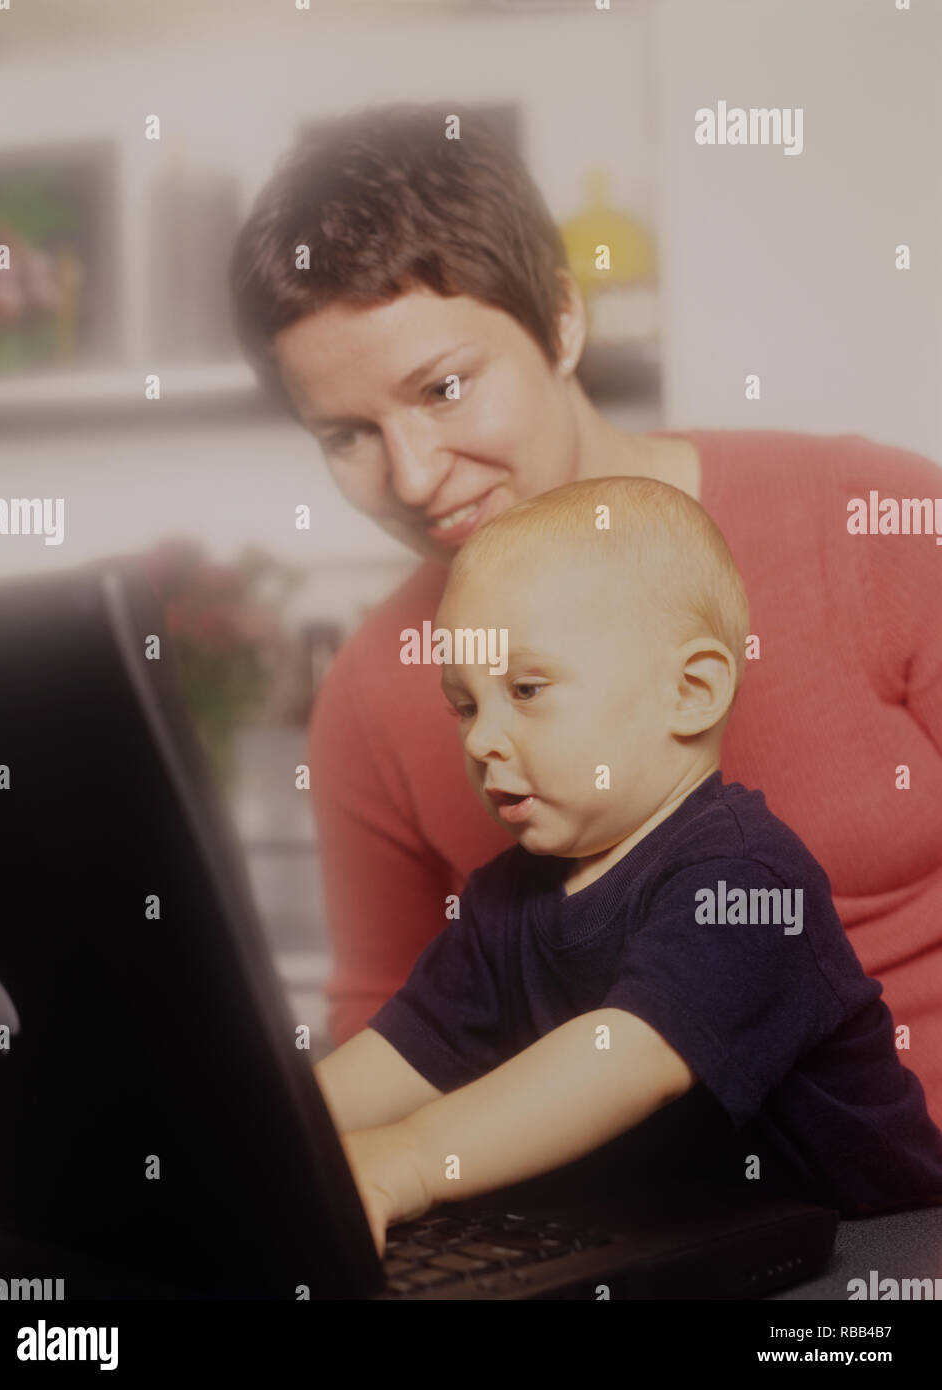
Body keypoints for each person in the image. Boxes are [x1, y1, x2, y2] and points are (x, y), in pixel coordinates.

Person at [227, 102, 942, 1129]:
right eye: (347, 434)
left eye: (444, 386)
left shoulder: (878, 521)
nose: (415, 478)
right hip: (640, 1226)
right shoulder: (373, 691)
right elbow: (393, 1024)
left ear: (563, 320)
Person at [310, 476, 942, 1256]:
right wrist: (272, 1137)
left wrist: (406, 1159)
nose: (479, 741)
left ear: (691, 691)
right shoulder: (503, 899)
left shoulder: (744, 880)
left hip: (871, 1245)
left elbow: (632, 1055)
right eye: (466, 705)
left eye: (526, 688)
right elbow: (410, 1052)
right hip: (674, 1244)